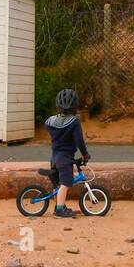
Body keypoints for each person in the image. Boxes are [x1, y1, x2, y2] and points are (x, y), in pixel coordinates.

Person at [44, 88, 90, 219]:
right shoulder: (74, 122)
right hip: (65, 158)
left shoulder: (51, 121)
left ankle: (59, 205)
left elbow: (49, 127)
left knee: (58, 183)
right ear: (75, 106)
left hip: (54, 157)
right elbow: (79, 141)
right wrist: (85, 154)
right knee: (66, 182)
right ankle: (59, 210)